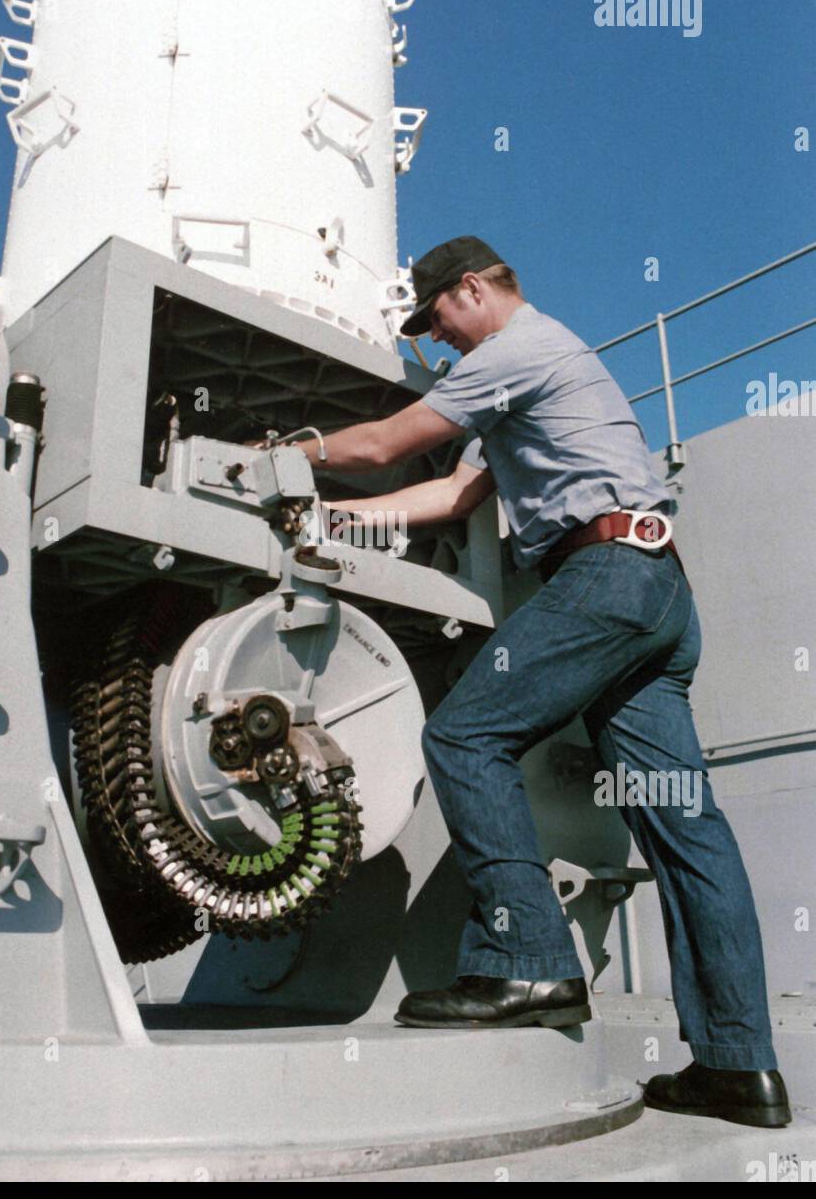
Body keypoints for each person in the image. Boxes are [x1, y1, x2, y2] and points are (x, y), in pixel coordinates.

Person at [283, 235, 790, 1129]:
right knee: (685, 834)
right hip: (657, 598)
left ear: (472, 289)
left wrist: (296, 449)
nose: (438, 344)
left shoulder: (509, 351)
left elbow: (390, 443)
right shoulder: (535, 376)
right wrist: (316, 518)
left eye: (437, 321)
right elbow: (445, 498)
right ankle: (737, 1066)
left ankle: (528, 960)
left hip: (603, 583)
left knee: (463, 735)